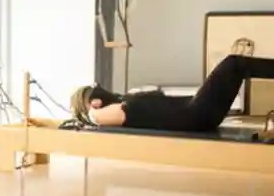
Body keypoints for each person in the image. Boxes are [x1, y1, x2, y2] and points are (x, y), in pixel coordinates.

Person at [69, 53, 274, 140]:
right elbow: (96, 118)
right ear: (92, 104)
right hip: (196, 114)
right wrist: (91, 112)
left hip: (196, 110)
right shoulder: (104, 115)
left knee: (234, 65)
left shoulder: (120, 104)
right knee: (233, 64)